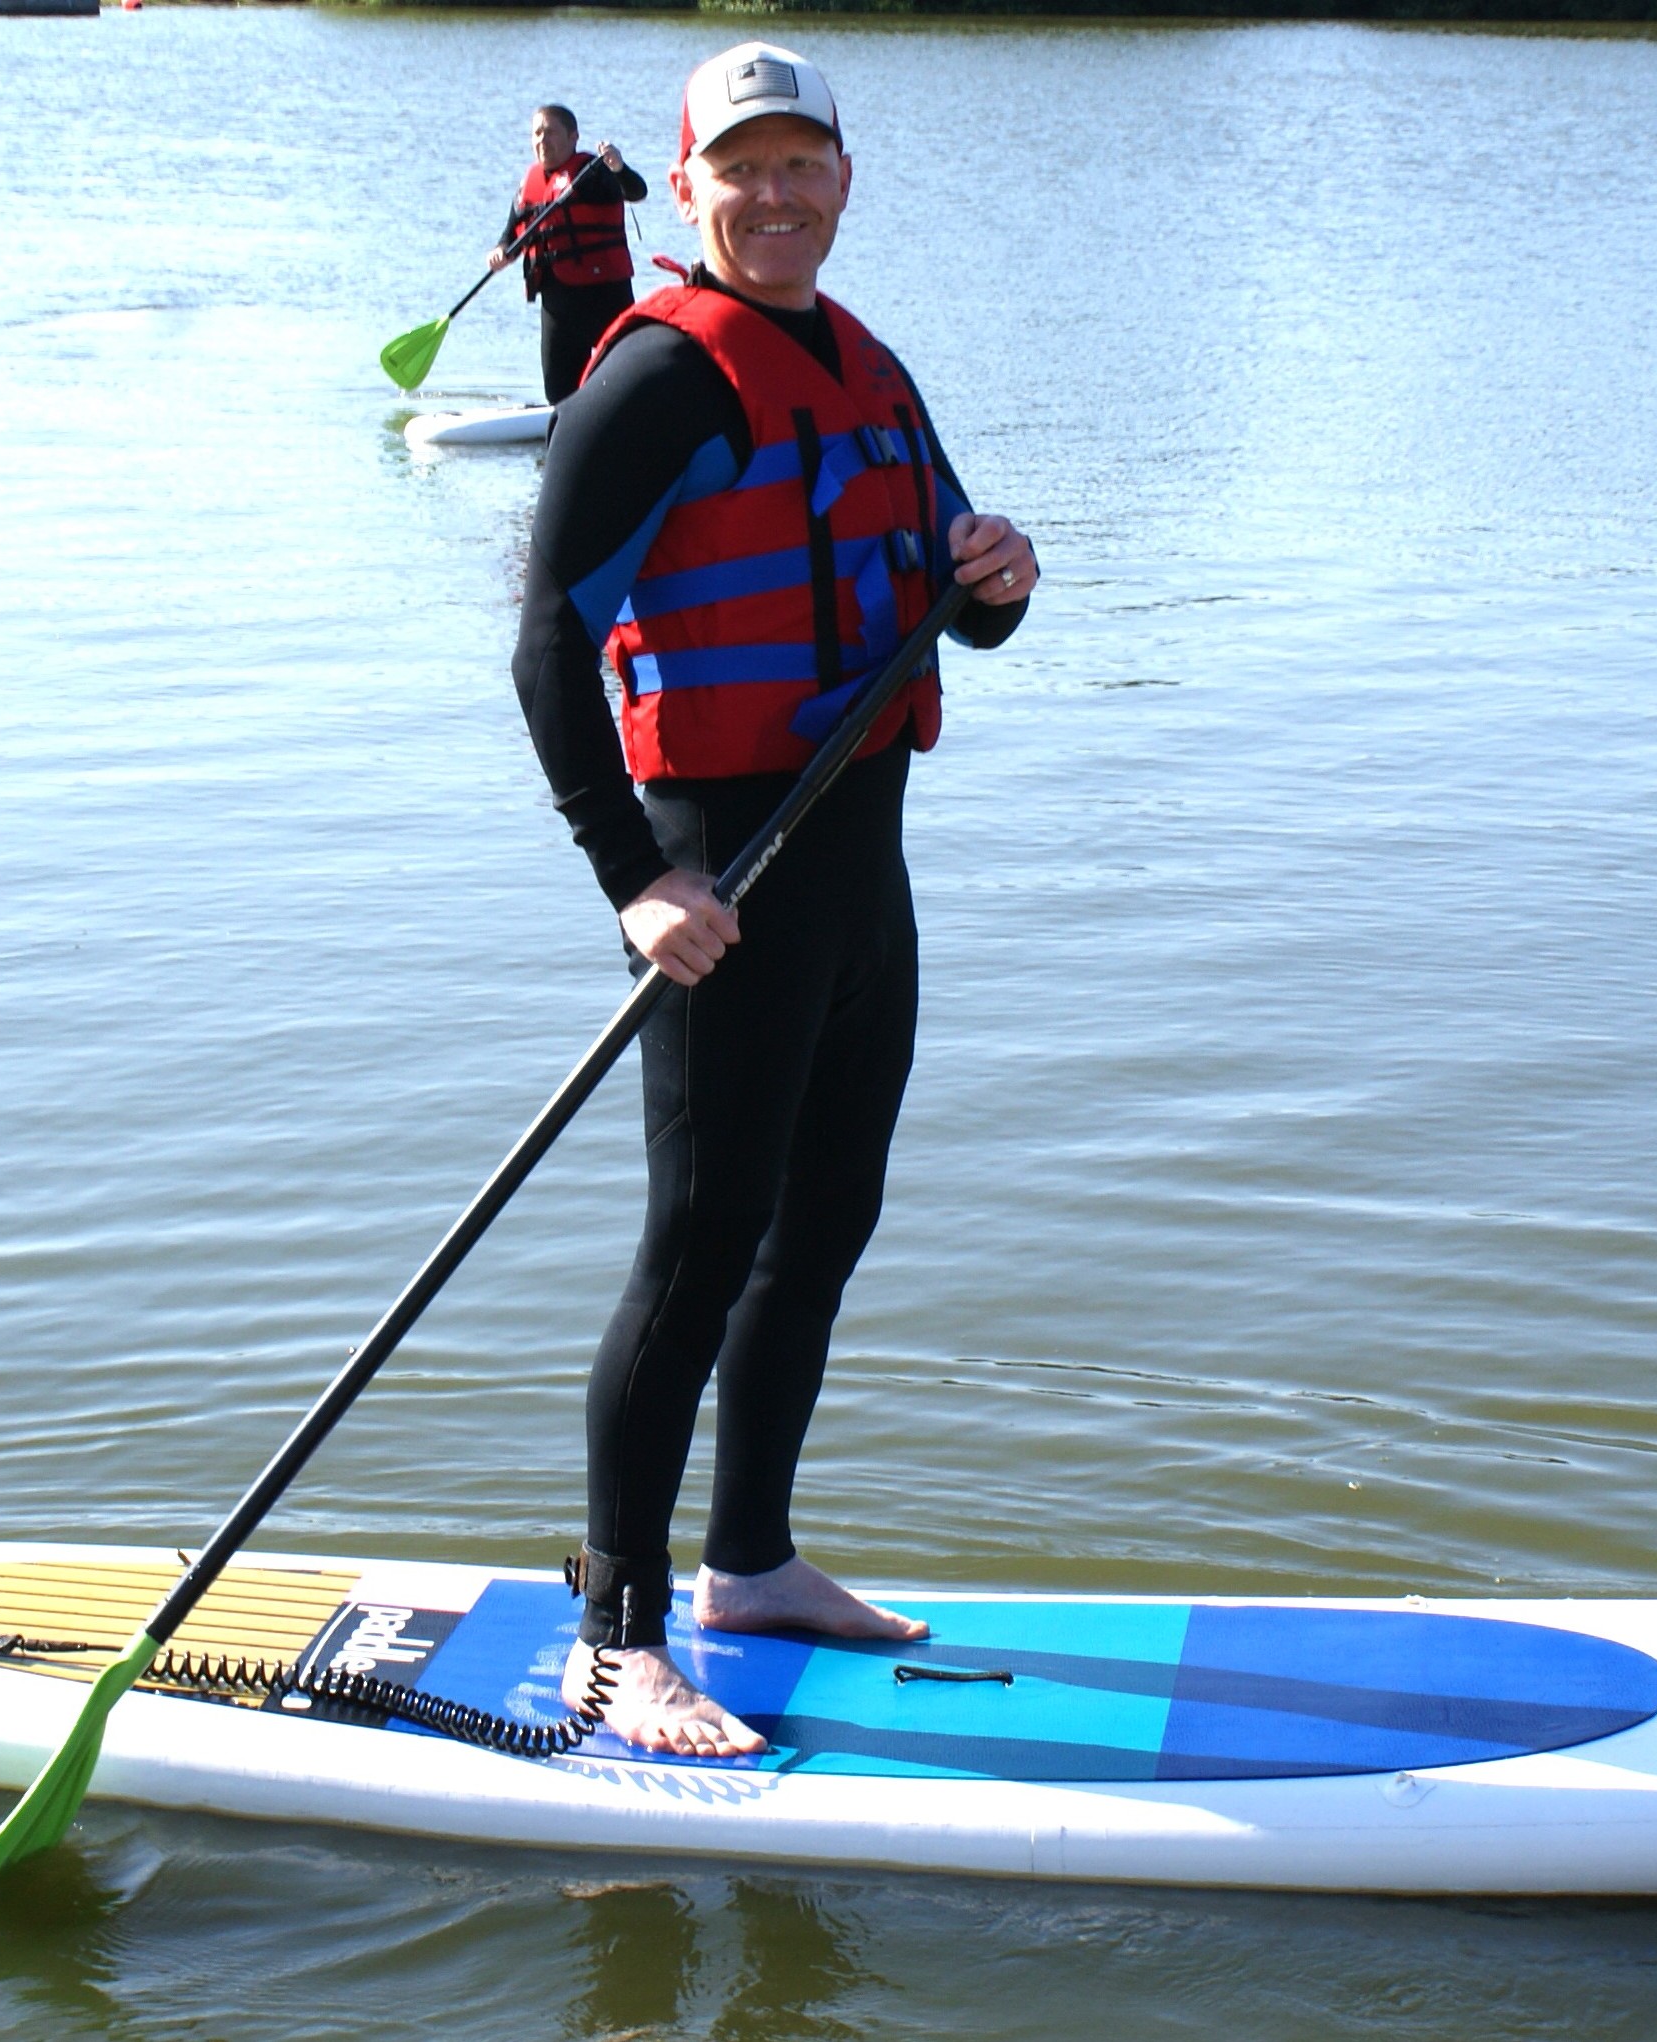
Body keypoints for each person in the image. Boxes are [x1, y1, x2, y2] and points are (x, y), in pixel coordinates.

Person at [511, 41, 1040, 1756]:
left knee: (823, 1217)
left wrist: (993, 581)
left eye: (799, 160)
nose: (774, 191)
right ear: (688, 188)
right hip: (723, 861)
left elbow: (951, 602)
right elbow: (544, 646)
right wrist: (631, 880)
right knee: (695, 1243)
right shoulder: (658, 378)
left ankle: (748, 1563)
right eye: (738, 166)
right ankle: (618, 1635)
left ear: (841, 177)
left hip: (856, 854)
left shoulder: (867, 365)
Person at [489, 104, 647, 406]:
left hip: (604, 295)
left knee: (618, 380)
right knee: (558, 392)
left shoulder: (594, 172)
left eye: (550, 132)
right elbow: (512, 233)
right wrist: (500, 252)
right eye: (537, 133)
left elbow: (636, 191)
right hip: (556, 302)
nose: (542, 140)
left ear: (573, 137)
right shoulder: (530, 183)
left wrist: (619, 169)